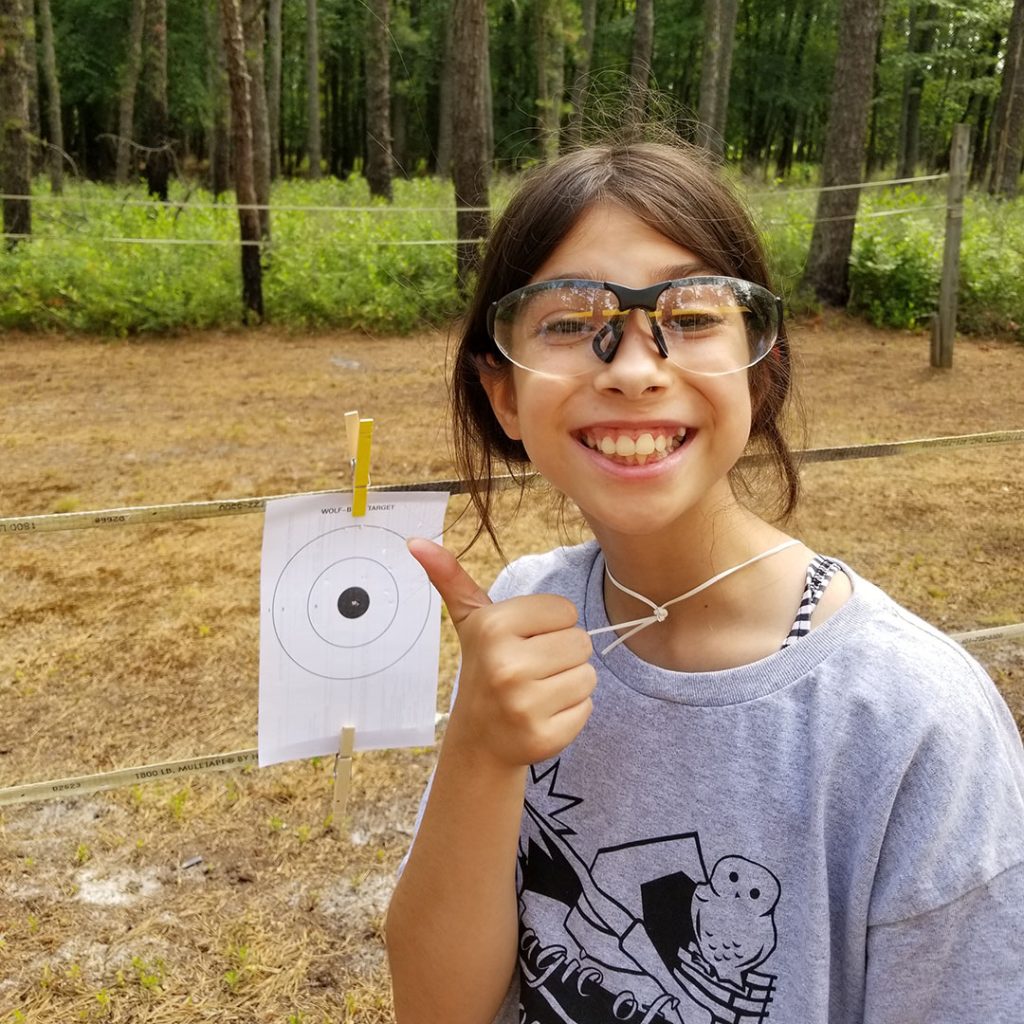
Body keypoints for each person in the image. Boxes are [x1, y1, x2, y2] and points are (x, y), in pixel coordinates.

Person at [384, 141, 1024, 1024]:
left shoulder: (911, 722)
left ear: (758, 368)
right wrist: (479, 751)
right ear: (503, 394)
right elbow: (437, 1008)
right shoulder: (529, 615)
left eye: (690, 316)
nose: (636, 368)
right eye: (569, 323)